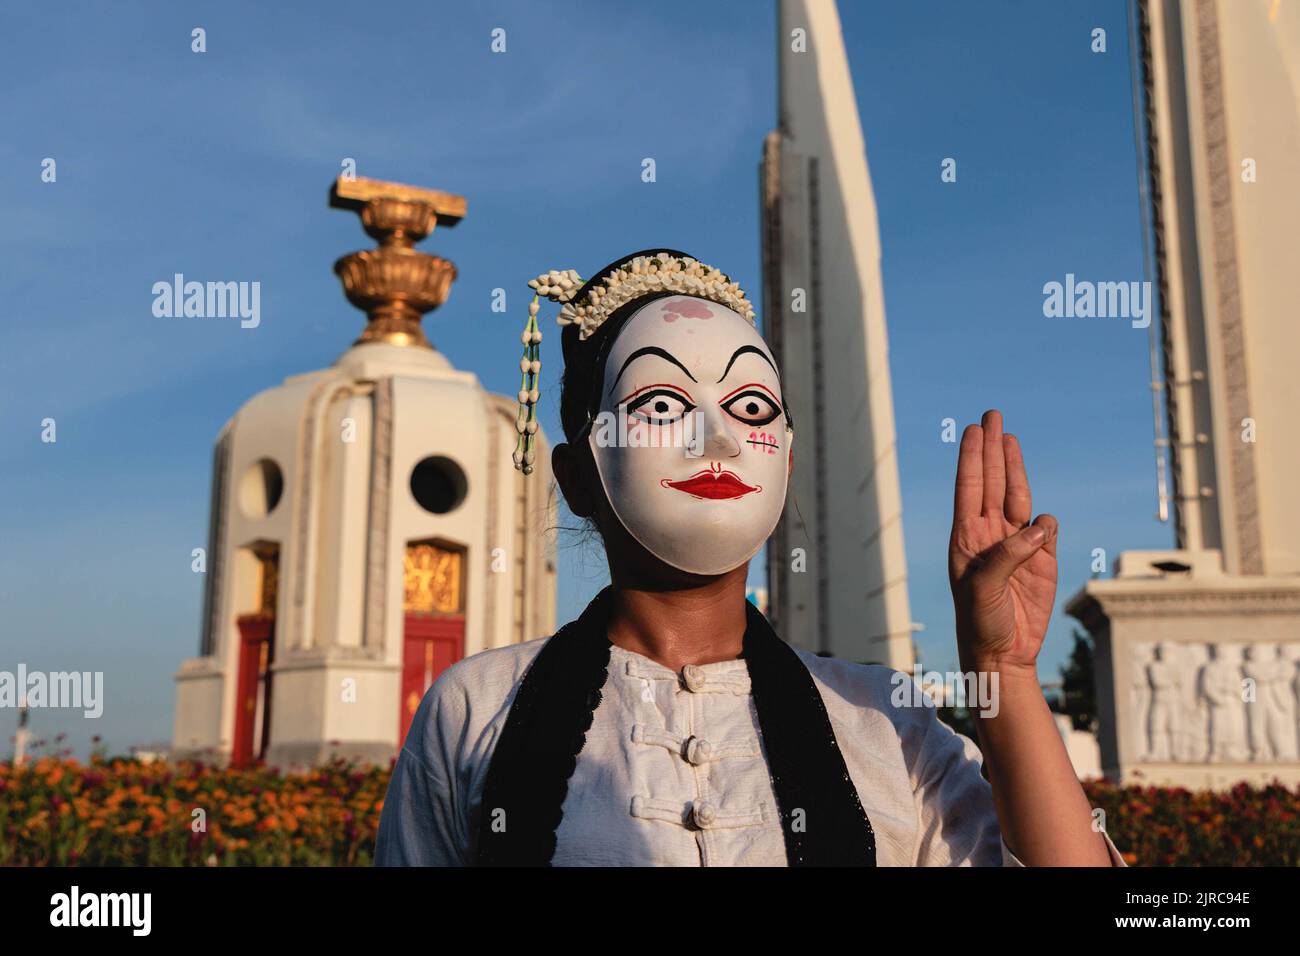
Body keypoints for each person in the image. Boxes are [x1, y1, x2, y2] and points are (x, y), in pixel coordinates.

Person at [375, 249, 1124, 867]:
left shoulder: (883, 723)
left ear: (787, 464)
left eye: (752, 408)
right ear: (577, 478)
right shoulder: (475, 710)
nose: (721, 439)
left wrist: (1006, 674)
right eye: (663, 405)